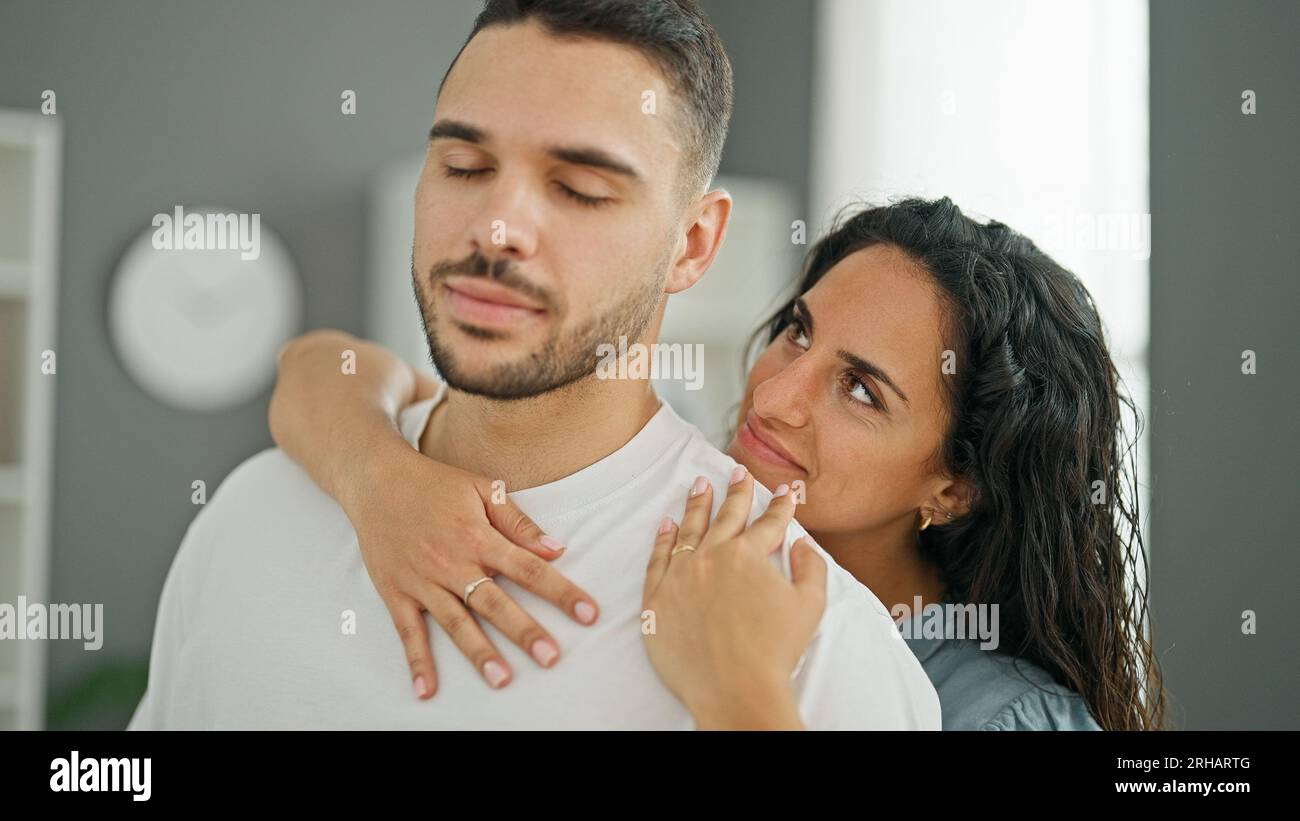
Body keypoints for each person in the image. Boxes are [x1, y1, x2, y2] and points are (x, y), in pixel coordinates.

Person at [128, 0, 939, 731]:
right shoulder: (252, 512)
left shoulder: (815, 639)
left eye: (580, 188)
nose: (497, 228)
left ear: (692, 244)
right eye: (465, 167)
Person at [271, 198, 1166, 730]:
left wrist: (737, 684)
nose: (775, 395)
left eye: (860, 389)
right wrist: (380, 482)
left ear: (953, 485)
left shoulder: (997, 716)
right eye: (797, 332)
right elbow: (321, 367)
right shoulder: (692, 483)